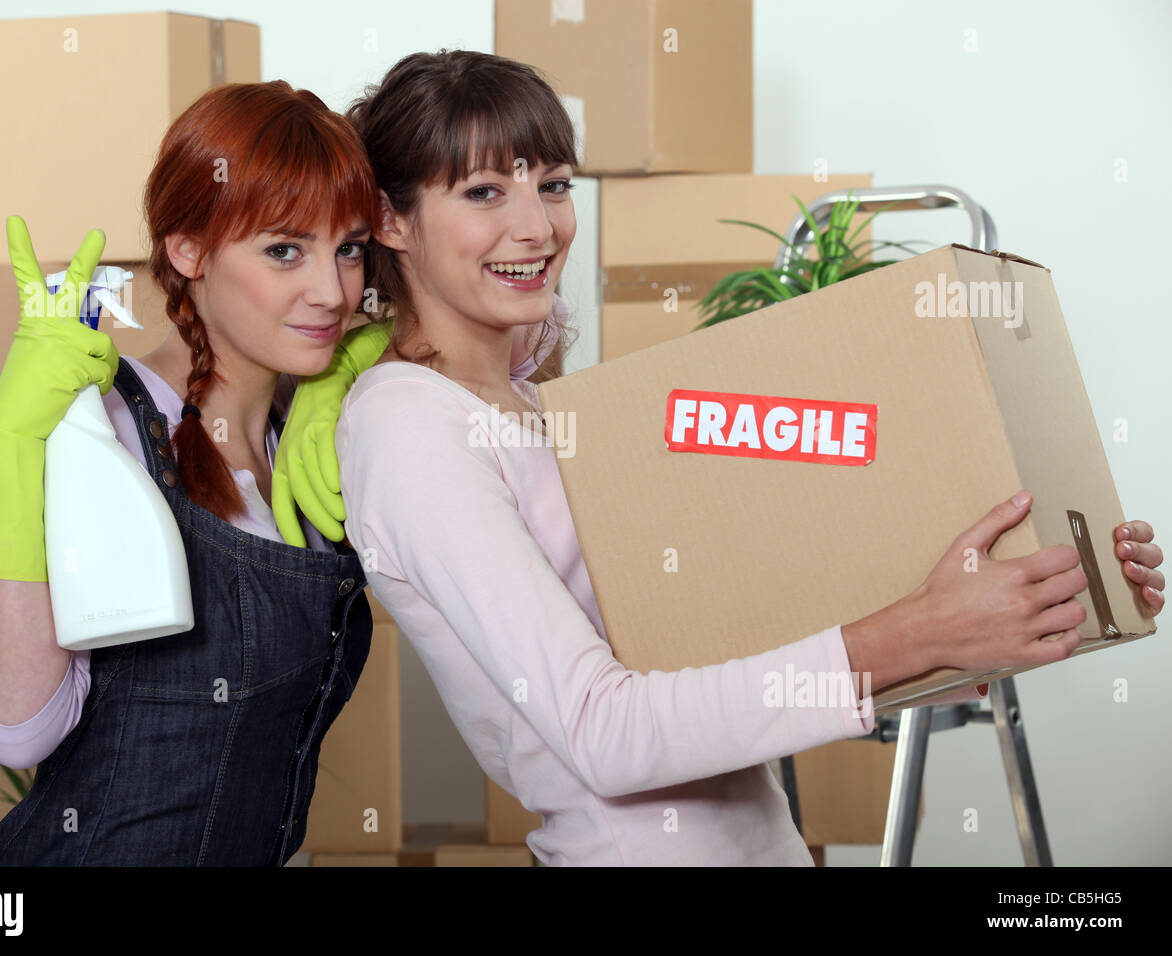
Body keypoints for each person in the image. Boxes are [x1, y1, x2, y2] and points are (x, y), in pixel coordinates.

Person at [285, 50, 1163, 866]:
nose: (537, 225)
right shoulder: (409, 429)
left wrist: (1013, 602)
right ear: (392, 221)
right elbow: (607, 732)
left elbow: (717, 673)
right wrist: (919, 631)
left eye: (553, 184)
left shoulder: (538, 405)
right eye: (482, 192)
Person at [0, 81, 388, 866]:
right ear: (188, 250)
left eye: (349, 247)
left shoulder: (314, 439)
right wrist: (11, 443)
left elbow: (520, 350)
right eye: (285, 249)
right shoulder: (101, 428)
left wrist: (366, 359)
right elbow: (14, 726)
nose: (332, 291)